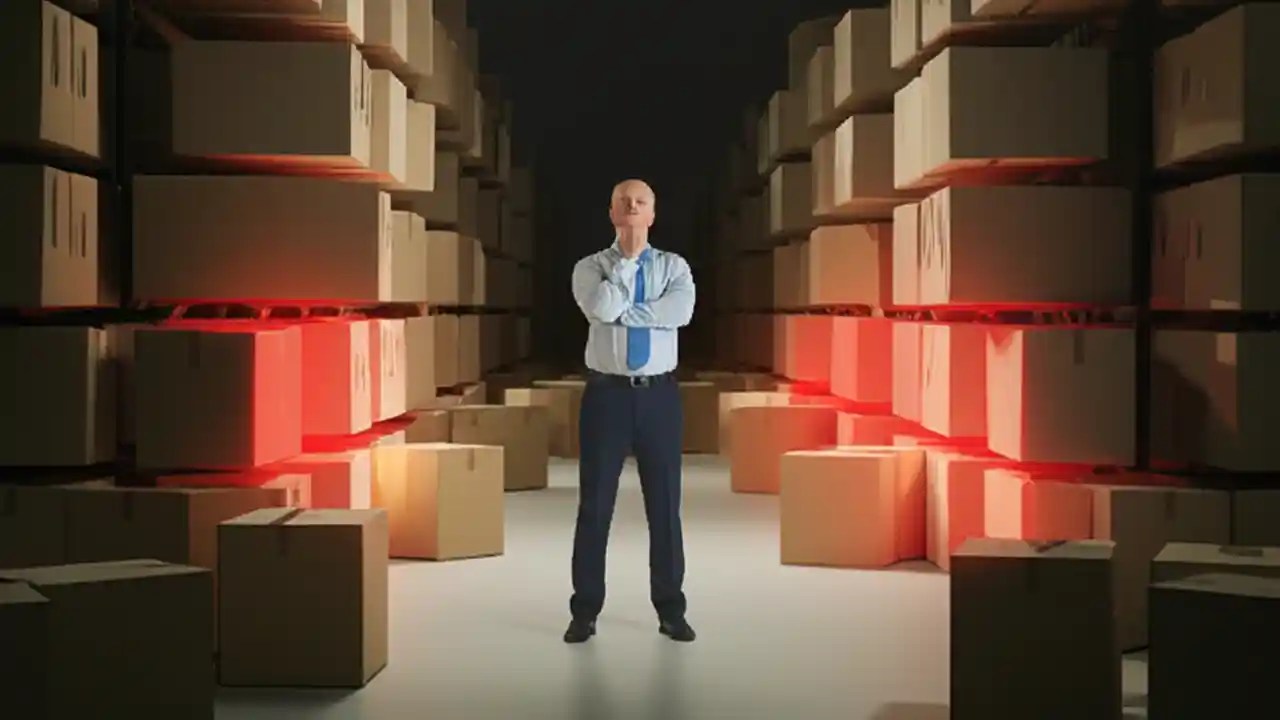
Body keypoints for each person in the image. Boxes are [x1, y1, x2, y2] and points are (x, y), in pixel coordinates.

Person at [563, 178, 697, 644]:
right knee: (595, 507)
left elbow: (679, 313)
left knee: (665, 509)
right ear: (612, 212)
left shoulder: (675, 267)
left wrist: (628, 309)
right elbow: (600, 307)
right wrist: (627, 275)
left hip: (659, 398)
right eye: (624, 201)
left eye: (641, 202)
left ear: (653, 214)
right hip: (607, 397)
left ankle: (670, 609)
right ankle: (585, 611)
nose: (633, 207)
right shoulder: (589, 267)